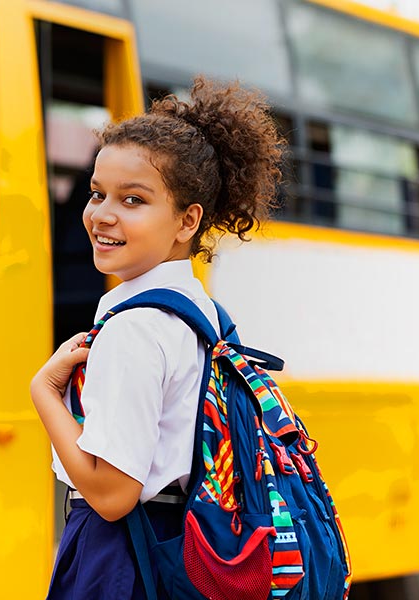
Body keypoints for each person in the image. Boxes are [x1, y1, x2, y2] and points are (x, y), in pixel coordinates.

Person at [30, 76, 284, 600]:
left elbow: (112, 493)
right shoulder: (201, 315)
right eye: (97, 193)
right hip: (173, 547)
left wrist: (44, 394)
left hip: (121, 556)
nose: (102, 214)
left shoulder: (136, 330)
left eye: (133, 200)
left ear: (187, 220)